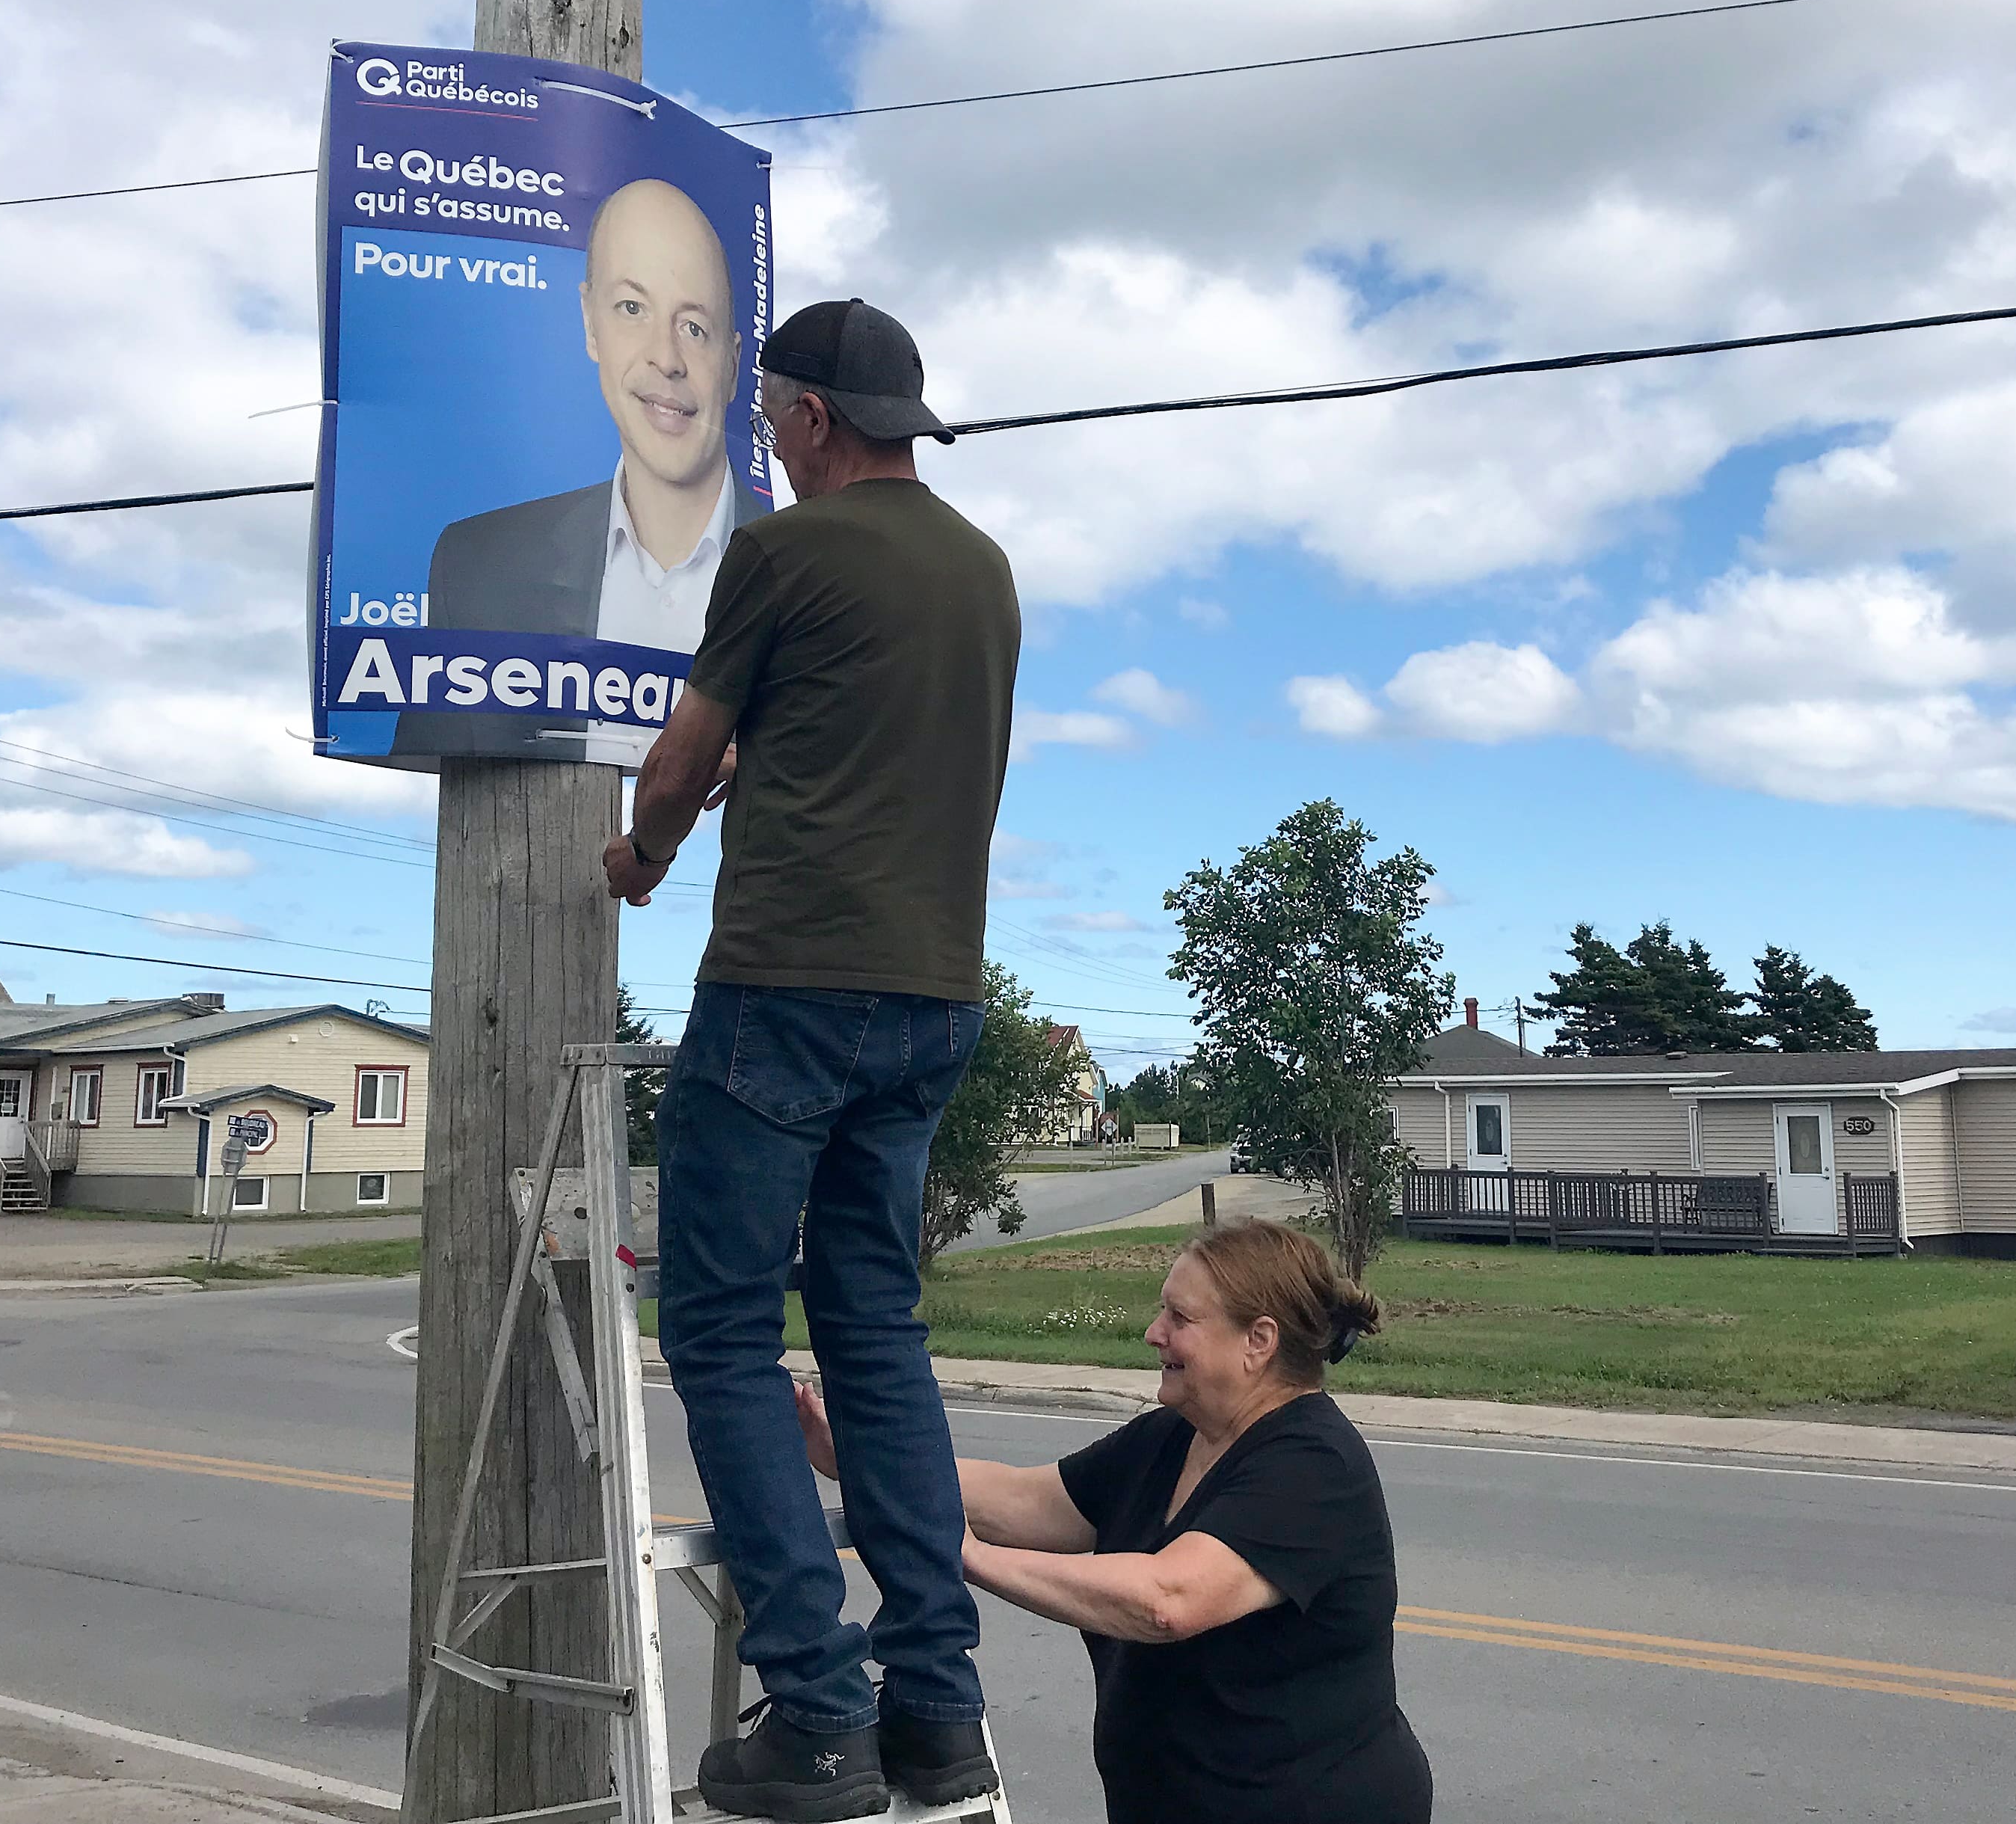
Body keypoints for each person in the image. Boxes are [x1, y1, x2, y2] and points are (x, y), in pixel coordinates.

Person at [603, 297, 1020, 1822]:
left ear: (821, 419)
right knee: (875, 1334)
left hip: (788, 985)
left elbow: (677, 759)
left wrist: (641, 853)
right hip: (933, 997)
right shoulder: (983, 570)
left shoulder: (783, 555)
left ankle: (820, 1709)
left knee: (715, 1328)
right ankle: (937, 1713)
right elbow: (827, 741)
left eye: (773, 406)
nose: (762, 428)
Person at [796, 1220, 1434, 1824]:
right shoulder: (1172, 1437)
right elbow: (1022, 1500)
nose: (1154, 1332)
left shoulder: (1313, 1463)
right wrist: (861, 1461)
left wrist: (968, 1557)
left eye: (1180, 1318)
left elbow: (1169, 1598)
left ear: (1257, 1342)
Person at [397, 175, 769, 761]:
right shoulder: (476, 569)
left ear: (733, 361)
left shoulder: (806, 587)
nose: (666, 358)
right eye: (632, 308)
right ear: (591, 323)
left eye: (694, 326)